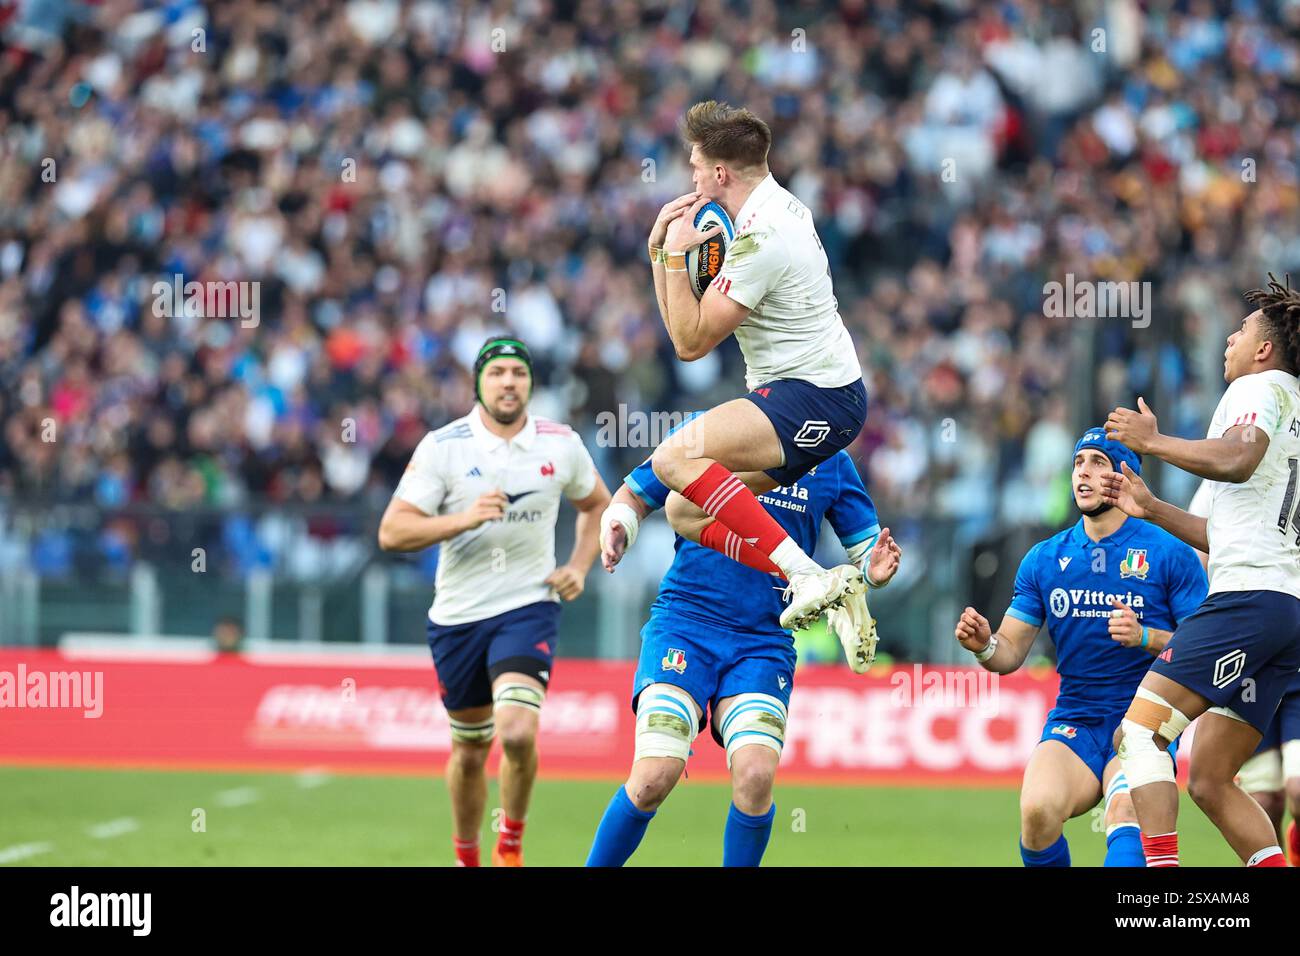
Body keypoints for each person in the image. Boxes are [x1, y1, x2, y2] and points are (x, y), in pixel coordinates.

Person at [586, 443, 899, 866]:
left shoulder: (831, 460)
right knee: (653, 776)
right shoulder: (712, 433)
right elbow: (636, 493)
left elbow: (864, 555)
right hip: (686, 623)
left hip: (763, 641)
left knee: (755, 776)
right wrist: (621, 524)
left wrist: (873, 573)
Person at [377, 337, 611, 866]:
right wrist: (463, 517)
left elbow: (596, 504)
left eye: (519, 373)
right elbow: (392, 532)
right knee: (468, 751)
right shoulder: (444, 446)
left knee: (518, 730)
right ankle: (467, 857)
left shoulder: (560, 444)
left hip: (528, 605)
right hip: (458, 617)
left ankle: (510, 847)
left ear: (531, 383)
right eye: (499, 372)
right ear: (478, 383)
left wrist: (577, 566)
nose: (510, 382)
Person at [640, 100, 870, 633]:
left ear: (719, 173)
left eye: (696, 166)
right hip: (821, 394)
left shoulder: (762, 239)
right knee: (684, 510)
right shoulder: (780, 208)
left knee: (675, 459)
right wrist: (662, 254)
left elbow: (689, 344)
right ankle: (822, 582)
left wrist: (674, 258)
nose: (691, 176)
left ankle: (805, 577)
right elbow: (685, 331)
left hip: (813, 395)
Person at [1101, 274, 1300, 867]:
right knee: (1211, 777)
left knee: (1140, 735)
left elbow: (1240, 459)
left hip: (1246, 598)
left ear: (1264, 349)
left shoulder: (1258, 387)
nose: (1228, 341)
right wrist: (1154, 509)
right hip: (1285, 607)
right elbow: (1233, 529)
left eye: (1239, 332)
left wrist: (1155, 441)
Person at [954, 430, 1207, 866]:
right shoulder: (1045, 558)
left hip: (1146, 719)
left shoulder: (1169, 552)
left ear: (1125, 476)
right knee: (1036, 812)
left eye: (1097, 462)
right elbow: (1010, 650)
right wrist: (985, 645)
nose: (1083, 472)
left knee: (1126, 810)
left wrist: (1146, 637)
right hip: (1077, 719)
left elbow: (1205, 650)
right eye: (1078, 462)